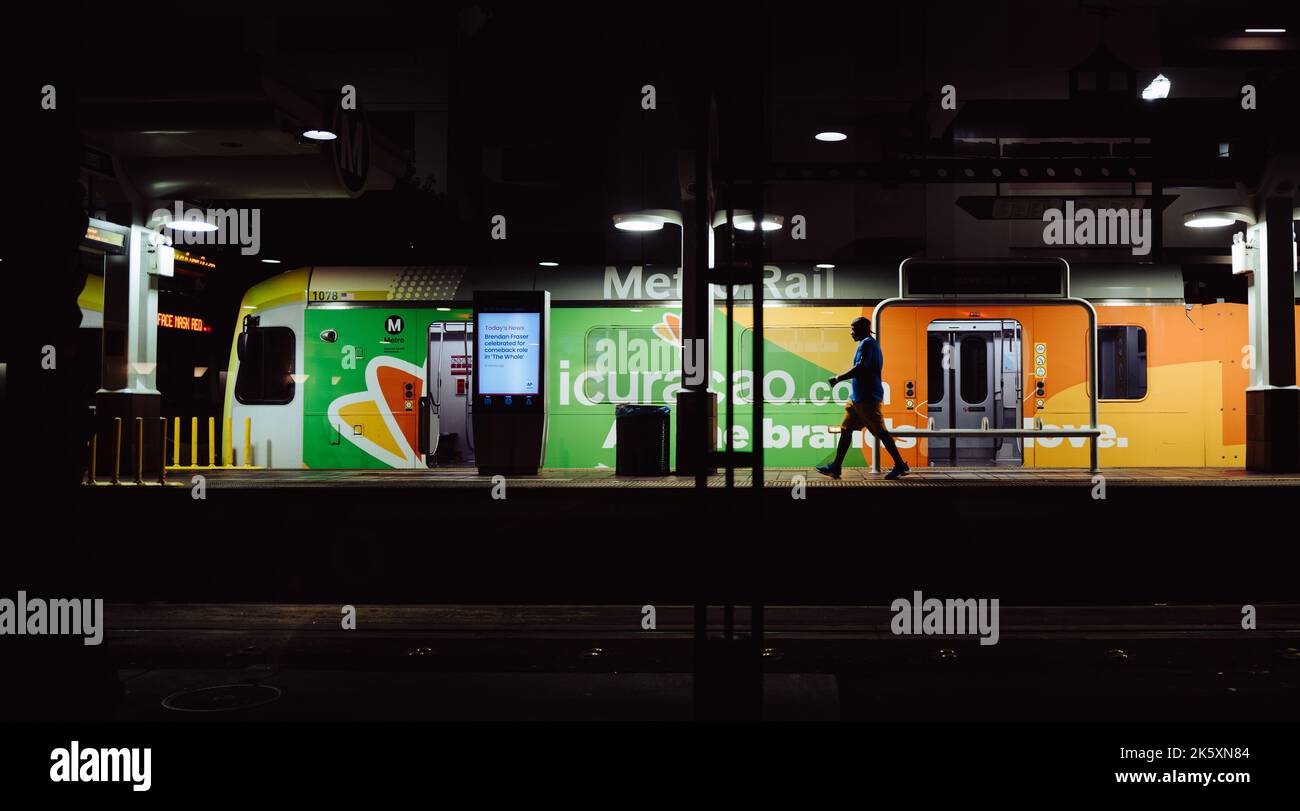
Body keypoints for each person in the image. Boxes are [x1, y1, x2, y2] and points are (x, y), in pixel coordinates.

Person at [816, 316, 909, 480]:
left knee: (881, 433)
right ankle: (836, 467)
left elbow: (861, 368)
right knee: (846, 430)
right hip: (856, 398)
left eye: (853, 329)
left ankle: (900, 465)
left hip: (867, 398)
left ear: (863, 329)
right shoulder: (866, 343)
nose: (851, 332)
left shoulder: (868, 343)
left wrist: (837, 378)